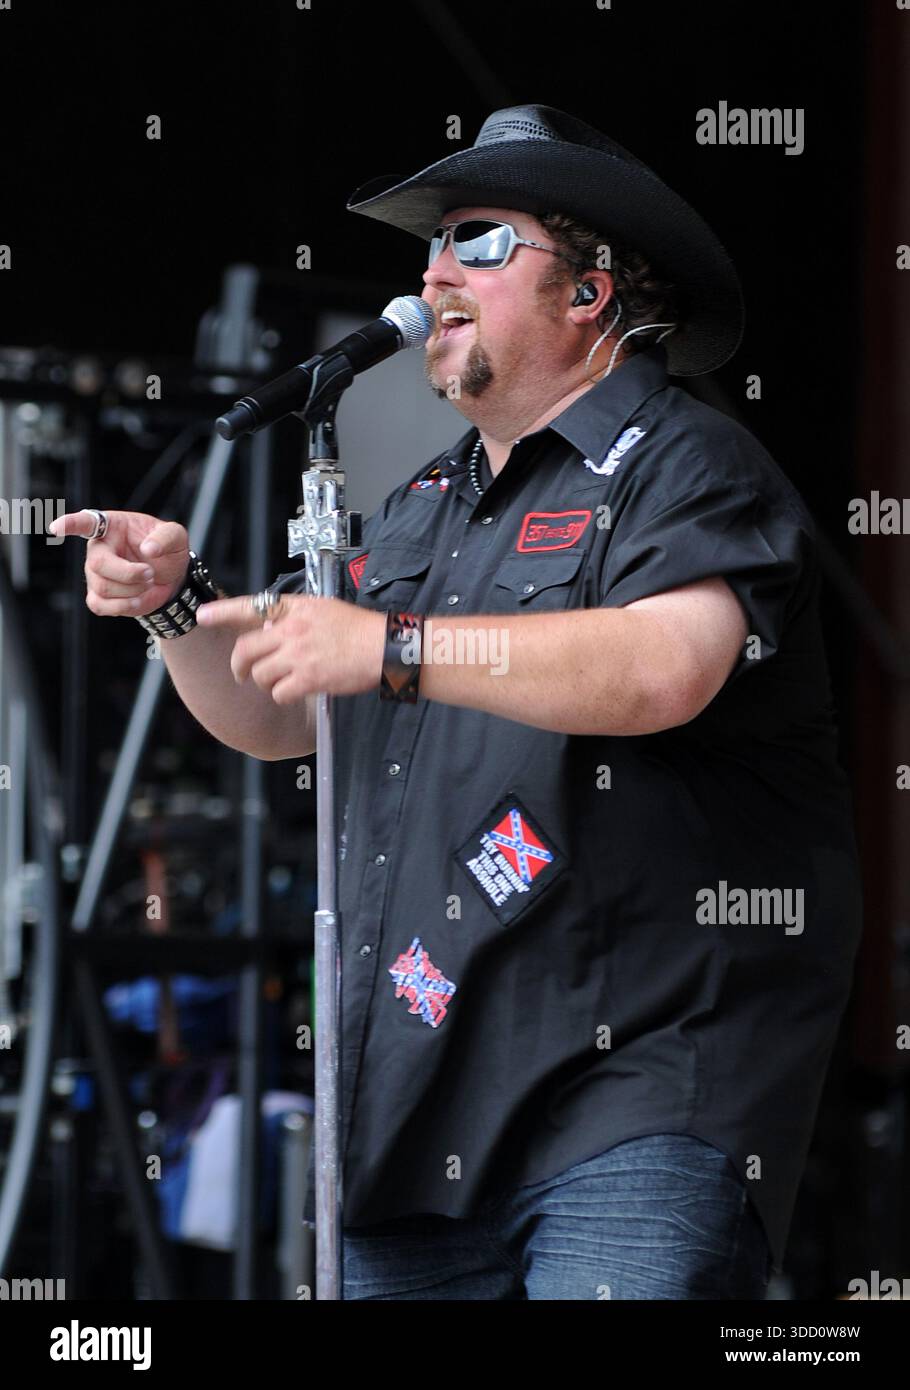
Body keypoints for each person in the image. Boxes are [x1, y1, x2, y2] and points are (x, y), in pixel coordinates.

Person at [51, 104, 863, 1300]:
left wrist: (390, 644)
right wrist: (175, 607)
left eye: (479, 240)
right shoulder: (426, 500)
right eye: (431, 246)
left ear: (589, 292)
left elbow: (662, 665)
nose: (433, 270)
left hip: (631, 1094)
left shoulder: (686, 458)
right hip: (421, 1105)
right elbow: (281, 710)